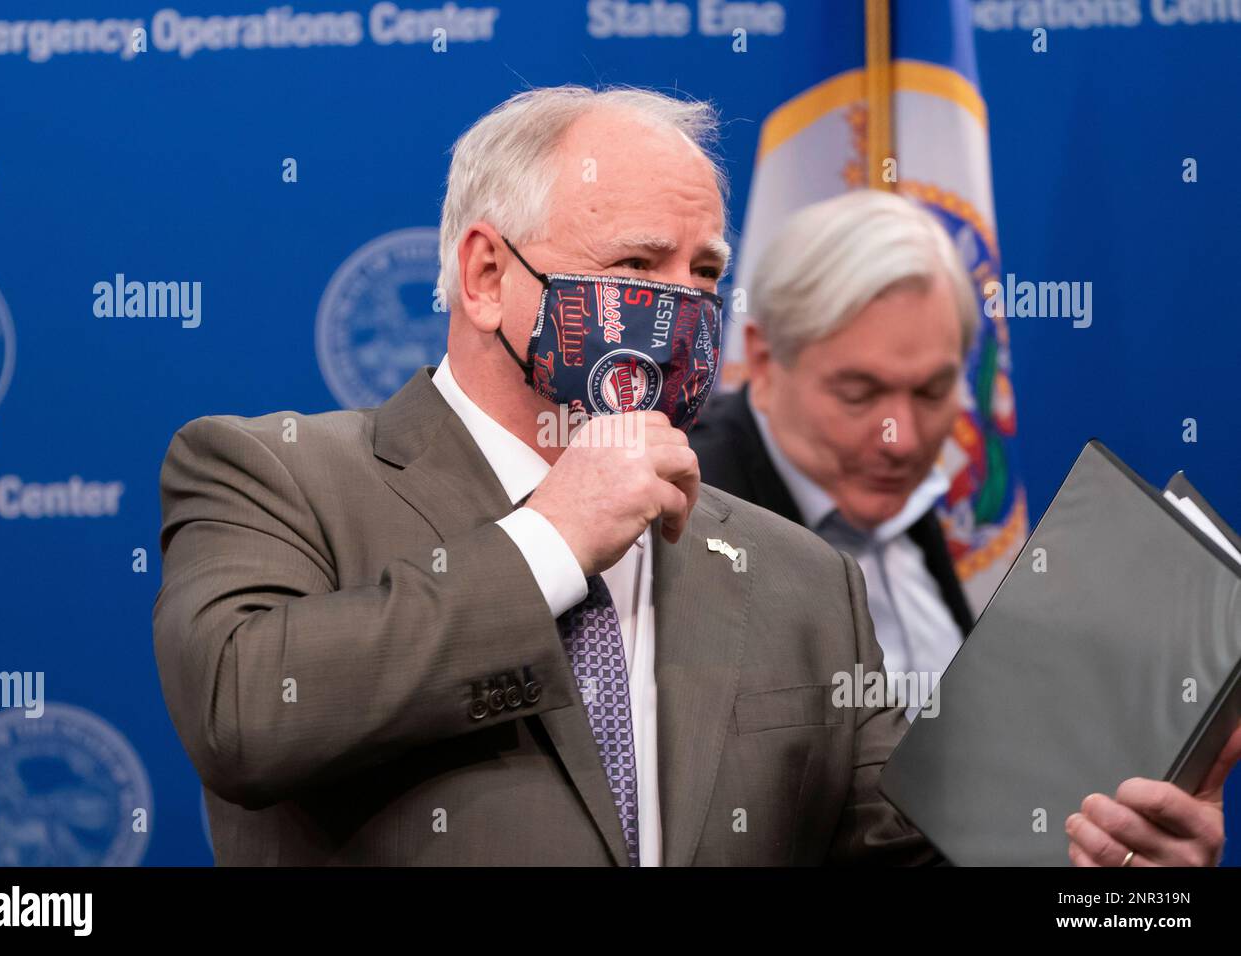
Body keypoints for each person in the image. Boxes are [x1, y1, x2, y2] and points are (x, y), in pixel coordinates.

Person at [153, 87, 1237, 867]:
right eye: (635, 266)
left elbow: (914, 849)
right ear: (487, 274)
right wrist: (550, 538)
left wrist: (1104, 877)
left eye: (705, 272)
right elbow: (245, 711)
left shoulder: (793, 571)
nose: (682, 308)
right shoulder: (275, 473)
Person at [693, 190, 977, 719]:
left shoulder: (887, 489)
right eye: (858, 395)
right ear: (764, 360)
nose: (904, 442)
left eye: (932, 393)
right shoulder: (689, 522)